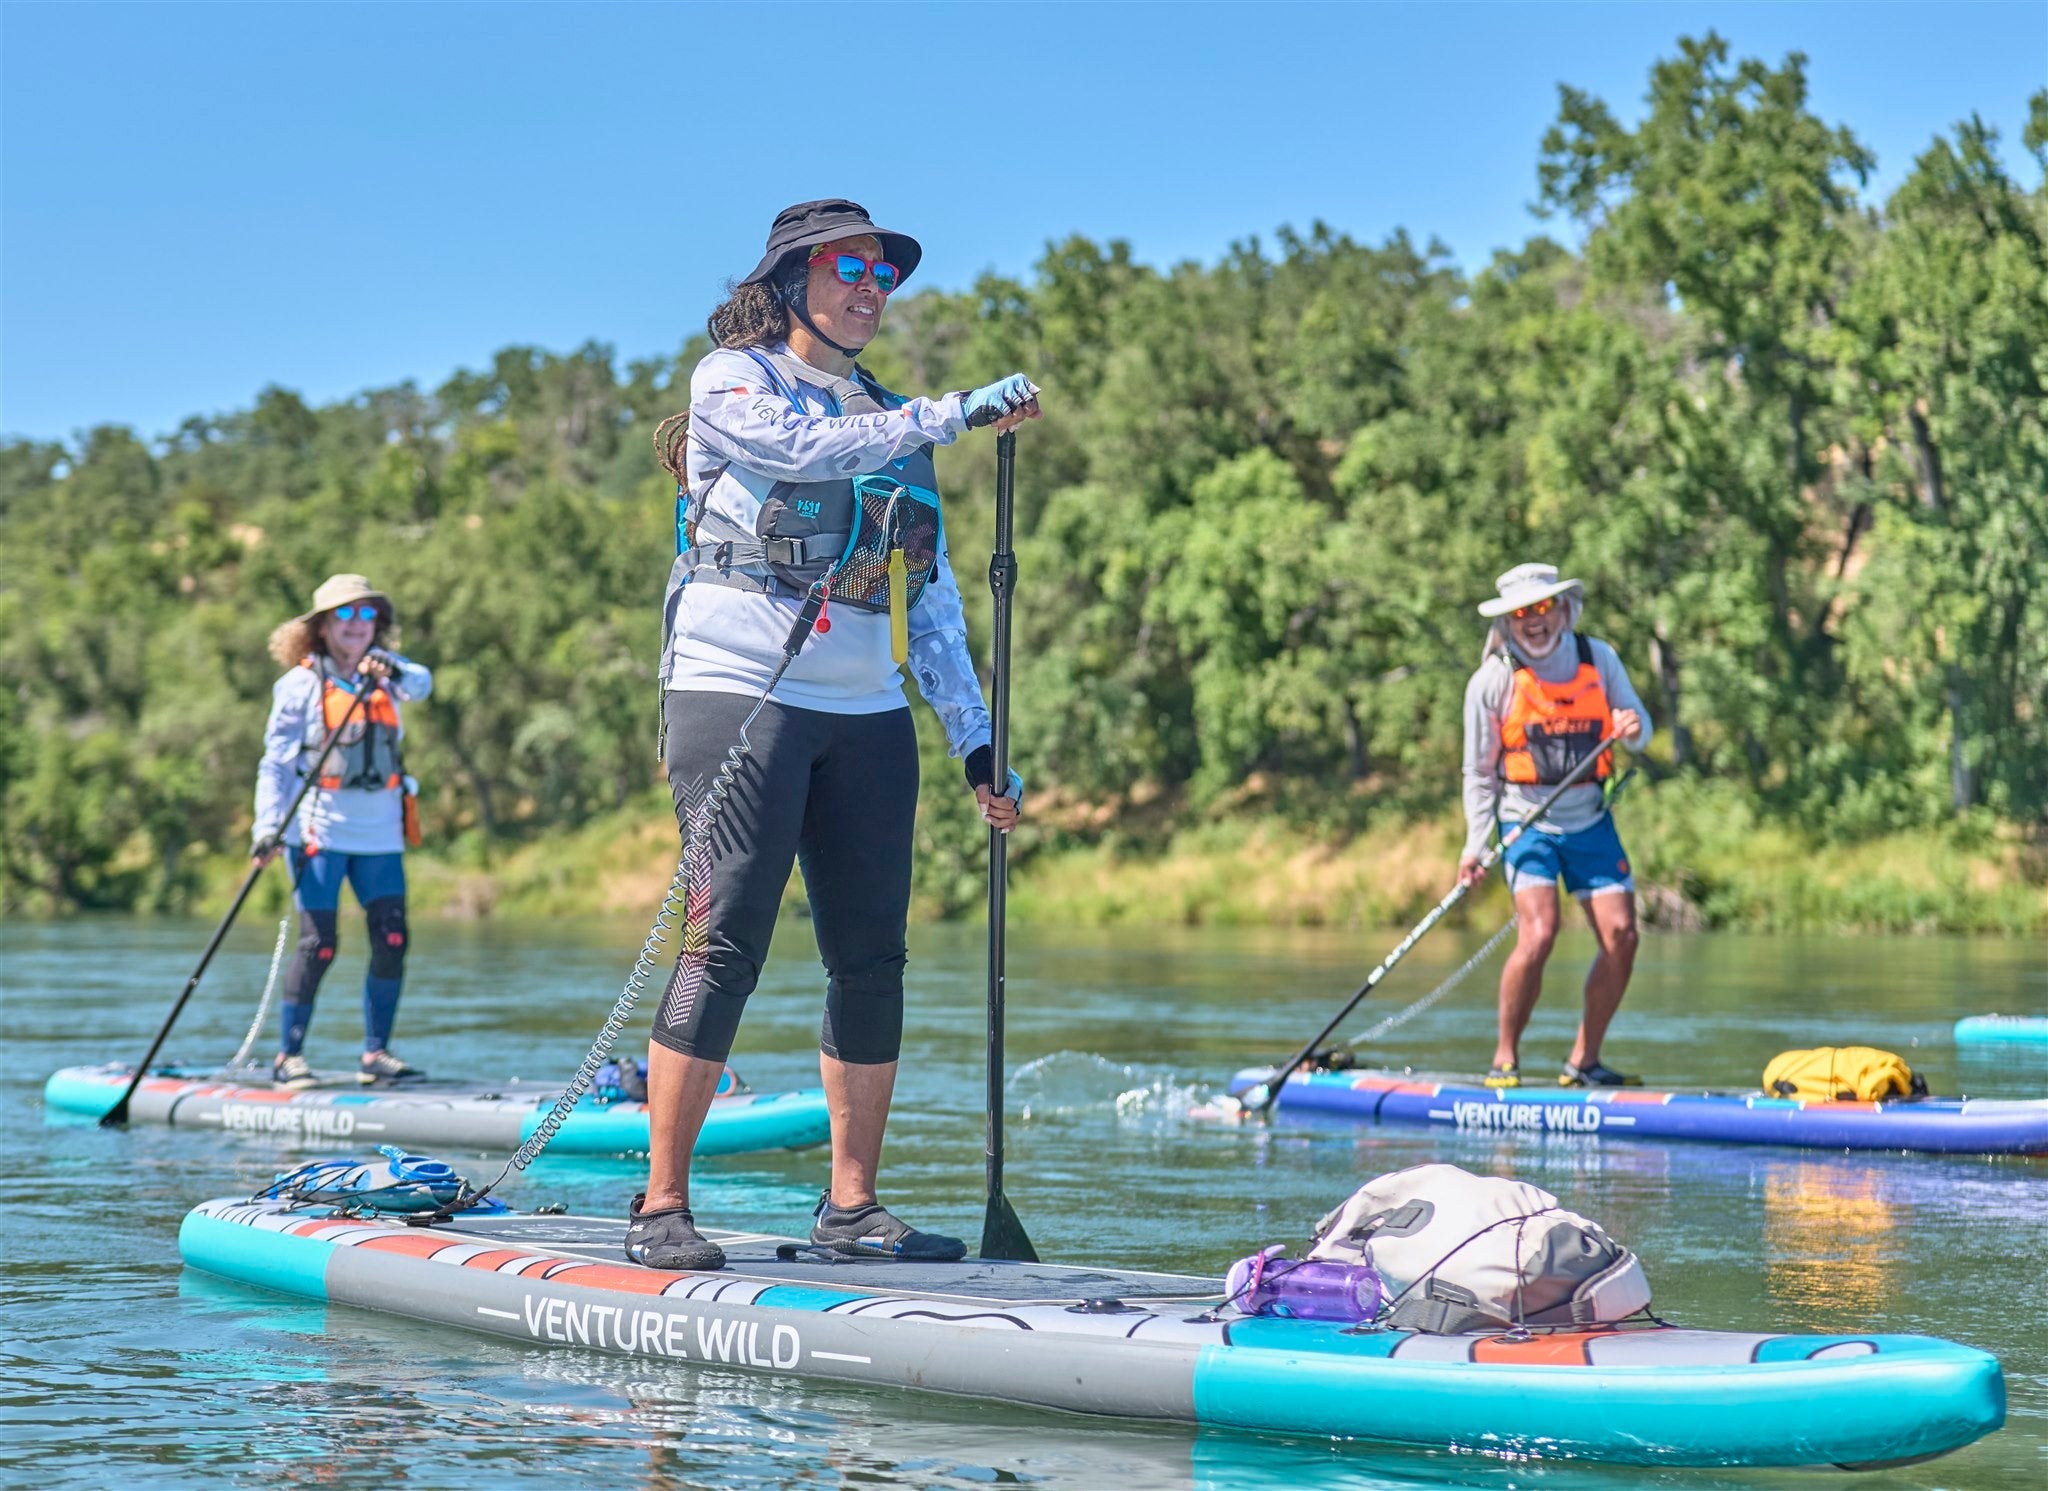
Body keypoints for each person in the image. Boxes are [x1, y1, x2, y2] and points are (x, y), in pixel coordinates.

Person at [628, 199, 1041, 1271]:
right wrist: (949, 416)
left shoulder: (895, 418)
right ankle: (661, 1205)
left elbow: (935, 597)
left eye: (883, 274)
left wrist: (974, 740)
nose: (868, 287)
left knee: (871, 958)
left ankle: (851, 1209)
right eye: (848, 267)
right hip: (735, 694)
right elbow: (803, 451)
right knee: (726, 944)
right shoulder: (731, 381)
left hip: (863, 711)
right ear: (792, 279)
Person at [1457, 563, 1651, 1089]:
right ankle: (1505, 1059)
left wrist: (1632, 728)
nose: (1533, 621)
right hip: (1526, 822)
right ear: (1507, 622)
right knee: (1539, 934)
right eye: (1521, 613)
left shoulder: (1599, 658)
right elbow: (1478, 773)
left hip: (1590, 819)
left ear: (1563, 609)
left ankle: (1582, 1062)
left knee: (1622, 936)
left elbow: (1641, 729)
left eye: (1542, 608)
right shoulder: (1492, 680)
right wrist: (1476, 844)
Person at [253, 573, 433, 1089]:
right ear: (324, 627)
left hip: (380, 834)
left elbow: (424, 684)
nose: (357, 625)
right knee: (320, 945)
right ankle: (289, 1057)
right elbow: (276, 765)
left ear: (378, 623)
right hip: (319, 831)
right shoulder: (299, 685)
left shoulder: (392, 675)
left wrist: (391, 666)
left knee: (393, 940)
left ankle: (376, 1055)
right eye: (346, 615)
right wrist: (266, 828)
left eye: (366, 614)